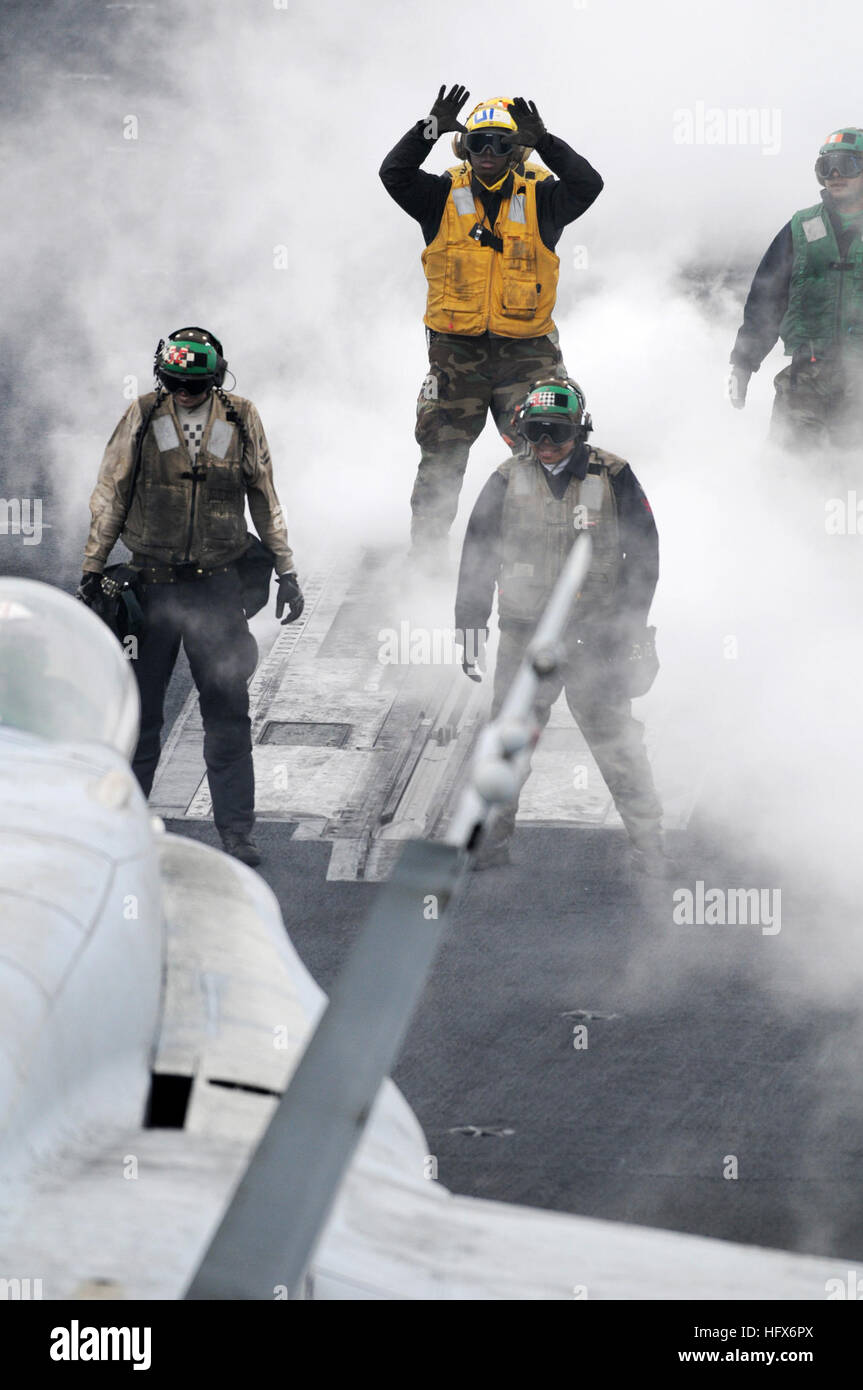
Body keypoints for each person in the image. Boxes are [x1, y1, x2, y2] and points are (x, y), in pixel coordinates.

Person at [76, 327, 304, 866]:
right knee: (140, 717)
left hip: (216, 589)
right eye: (174, 382)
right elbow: (110, 492)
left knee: (227, 711)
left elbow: (265, 497)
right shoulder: (141, 414)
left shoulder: (242, 417)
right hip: (148, 590)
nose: (183, 391)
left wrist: (288, 570)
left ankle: (236, 834)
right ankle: (123, 832)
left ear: (215, 378)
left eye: (193, 384)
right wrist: (91, 568)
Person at [454, 376, 672, 875]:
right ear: (523, 432)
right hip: (524, 636)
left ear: (580, 429)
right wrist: (470, 624)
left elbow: (644, 554)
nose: (547, 445)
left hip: (596, 637)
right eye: (537, 433)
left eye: (557, 432)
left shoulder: (613, 475)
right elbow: (477, 557)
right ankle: (490, 842)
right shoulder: (506, 479)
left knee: (618, 742)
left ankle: (649, 846)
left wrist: (629, 624)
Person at [380, 86, 604, 562]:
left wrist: (547, 143)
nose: (488, 153)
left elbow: (589, 185)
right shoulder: (440, 195)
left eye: (501, 144)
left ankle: (549, 554)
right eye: (478, 142)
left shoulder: (543, 197)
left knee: (548, 448)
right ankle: (426, 561)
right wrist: (429, 129)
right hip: (455, 357)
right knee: (440, 459)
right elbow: (393, 174)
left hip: (527, 355)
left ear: (515, 148)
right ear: (465, 146)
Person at [729, 127, 863, 451]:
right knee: (787, 475)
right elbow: (766, 299)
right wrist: (743, 364)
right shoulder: (800, 228)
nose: (834, 174)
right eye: (825, 166)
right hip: (806, 381)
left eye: (847, 165)